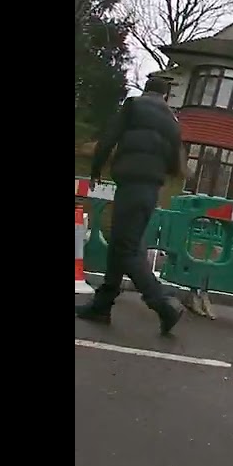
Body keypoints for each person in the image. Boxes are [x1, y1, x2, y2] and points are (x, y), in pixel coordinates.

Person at [75, 78, 186, 334]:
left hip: (130, 184)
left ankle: (162, 305)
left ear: (146, 89)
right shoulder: (172, 122)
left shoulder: (133, 106)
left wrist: (96, 169)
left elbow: (109, 138)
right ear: (165, 95)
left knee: (126, 249)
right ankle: (102, 306)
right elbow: (174, 162)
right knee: (121, 243)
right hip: (150, 189)